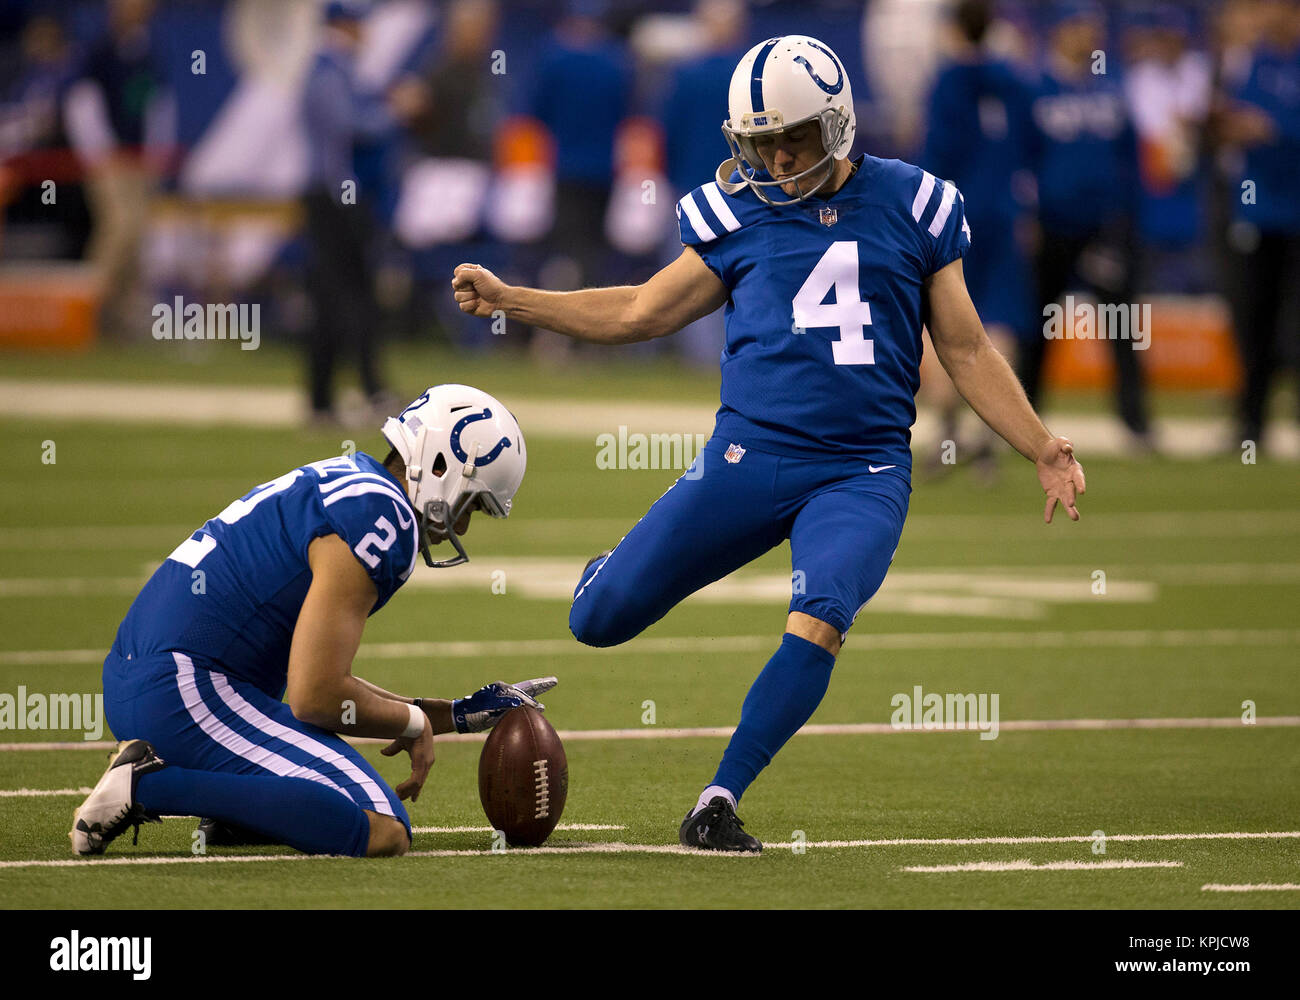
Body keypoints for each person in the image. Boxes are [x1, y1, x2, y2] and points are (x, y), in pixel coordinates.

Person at [452, 35, 1086, 852]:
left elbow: (963, 347)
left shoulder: (915, 203)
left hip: (861, 471)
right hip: (748, 459)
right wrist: (515, 298)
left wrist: (1039, 443)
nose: (778, 158)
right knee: (597, 620)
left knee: (820, 613)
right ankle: (608, 578)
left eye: (793, 138)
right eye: (761, 142)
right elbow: (640, 312)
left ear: (839, 125)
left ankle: (719, 798)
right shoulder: (736, 211)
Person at [72, 385, 554, 859]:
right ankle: (149, 787)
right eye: (470, 503)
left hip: (152, 681)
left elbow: (318, 675)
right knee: (383, 829)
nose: (464, 525)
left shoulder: (354, 483)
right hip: (185, 693)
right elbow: (316, 696)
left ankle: (237, 811)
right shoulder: (379, 517)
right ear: (441, 465)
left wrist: (452, 714)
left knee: (328, 794)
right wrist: (411, 724)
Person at [1019, 1, 1152, 449]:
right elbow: (1020, 158)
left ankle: (1136, 422)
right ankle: (1025, 423)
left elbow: (1130, 156)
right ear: (1058, 31)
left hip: (1104, 227)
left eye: (1091, 26)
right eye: (1078, 26)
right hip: (1052, 225)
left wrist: (1126, 217)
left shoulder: (1110, 85)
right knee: (1037, 326)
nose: (1087, 35)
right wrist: (1028, 215)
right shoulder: (1035, 86)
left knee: (1122, 323)